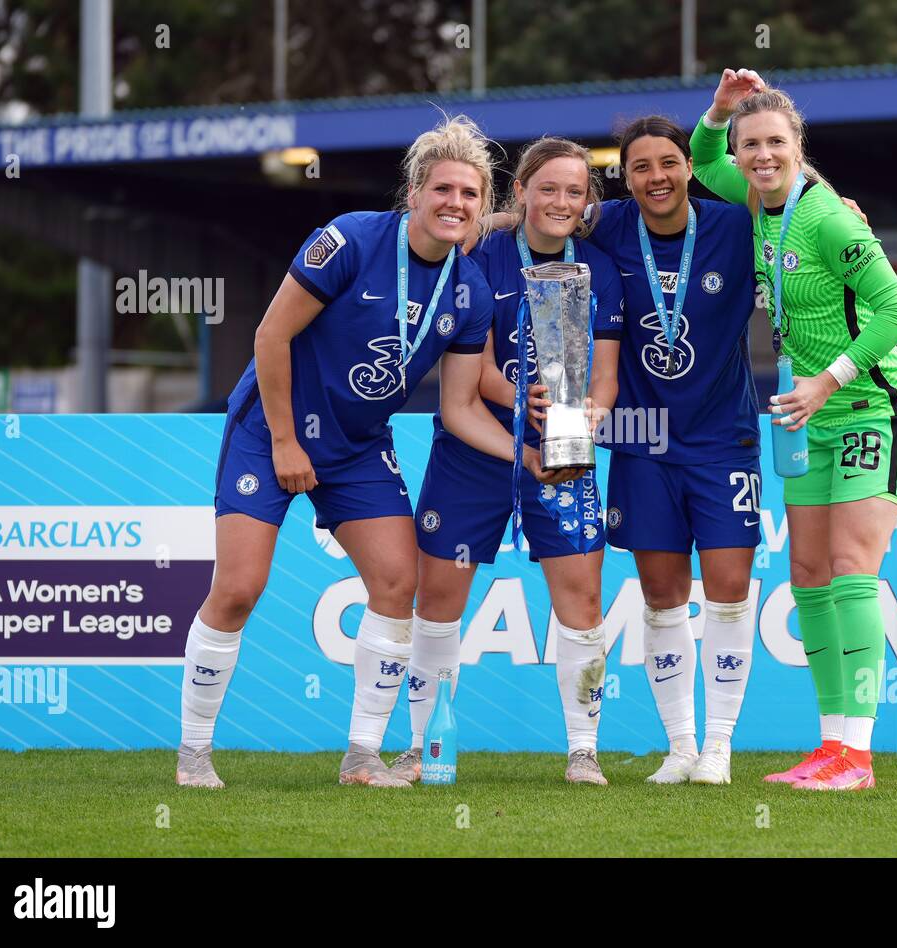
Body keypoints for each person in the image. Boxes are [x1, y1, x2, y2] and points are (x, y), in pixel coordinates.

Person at [176, 114, 564, 789]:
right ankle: (193, 755)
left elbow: (462, 405)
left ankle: (361, 757)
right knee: (238, 590)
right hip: (271, 431)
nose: (456, 204)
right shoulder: (351, 240)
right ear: (413, 194)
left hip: (357, 449)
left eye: (470, 195)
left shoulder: (467, 290)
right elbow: (270, 336)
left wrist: (523, 454)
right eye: (443, 190)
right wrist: (286, 440)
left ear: (481, 206)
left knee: (396, 582)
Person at [691, 69, 897, 791]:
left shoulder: (829, 218)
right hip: (806, 419)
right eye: (749, 144)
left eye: (774, 143)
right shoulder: (756, 199)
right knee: (810, 578)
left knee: (853, 573)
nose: (761, 155)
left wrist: (827, 382)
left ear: (798, 146)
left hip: (869, 405)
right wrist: (719, 110)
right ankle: (830, 748)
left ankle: (858, 757)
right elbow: (701, 161)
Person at [391, 137, 625, 786]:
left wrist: (588, 413)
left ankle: (584, 751)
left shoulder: (599, 269)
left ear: (586, 202)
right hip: (473, 452)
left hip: (563, 453)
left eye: (573, 191)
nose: (559, 201)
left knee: (581, 601)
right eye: (545, 188)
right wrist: (533, 399)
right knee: (437, 599)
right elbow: (476, 370)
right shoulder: (479, 254)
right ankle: (421, 748)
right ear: (518, 192)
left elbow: (603, 375)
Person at [570, 115, 764, 786]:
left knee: (731, 589)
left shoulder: (734, 225)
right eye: (641, 167)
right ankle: (680, 747)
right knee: (660, 592)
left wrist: (840, 201)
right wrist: (501, 224)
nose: (656, 177)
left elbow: (789, 192)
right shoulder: (607, 226)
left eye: (668, 163)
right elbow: (544, 211)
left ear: (690, 167)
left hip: (722, 437)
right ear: (625, 177)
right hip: (641, 440)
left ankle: (719, 746)